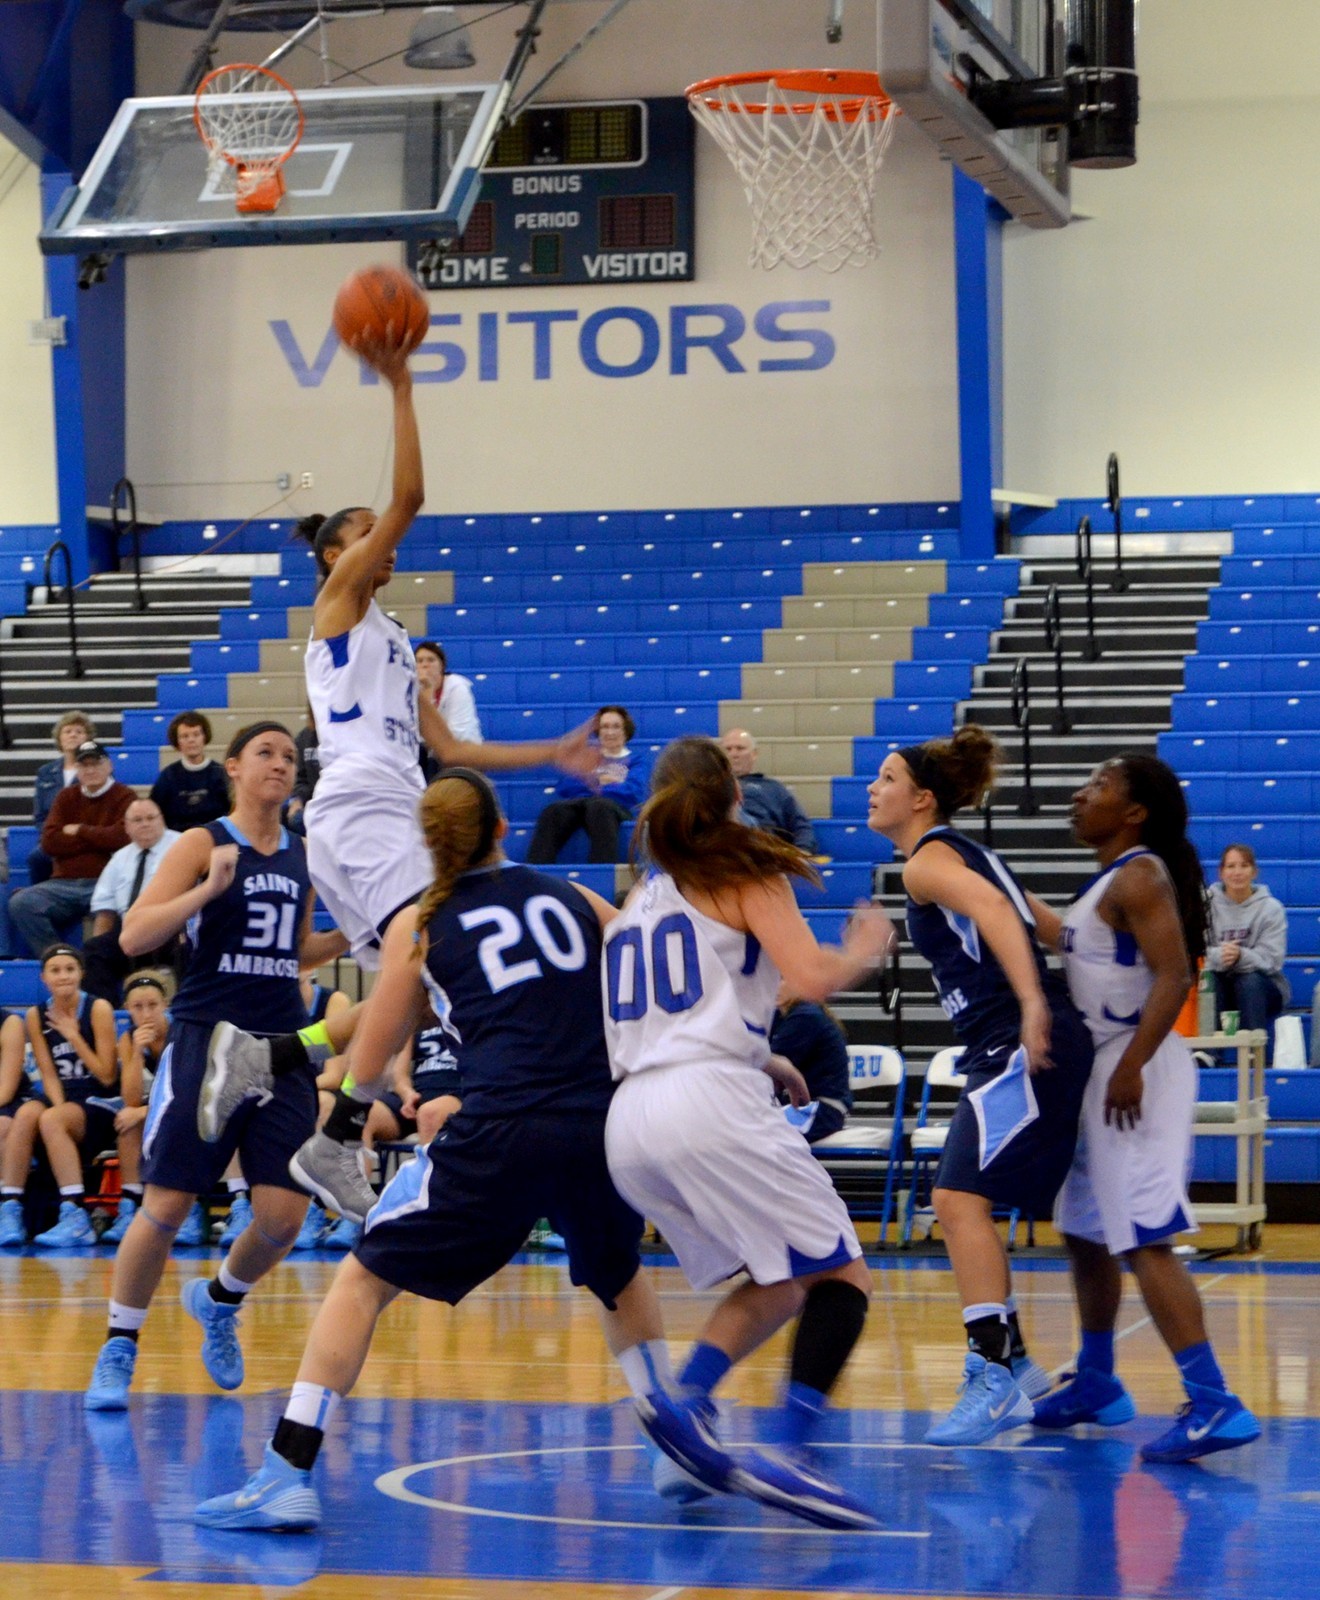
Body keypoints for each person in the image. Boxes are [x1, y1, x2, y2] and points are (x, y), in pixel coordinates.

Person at [192, 769, 668, 1533]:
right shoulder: (575, 897)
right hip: (596, 1124)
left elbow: (372, 1057)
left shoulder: (423, 921)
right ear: (503, 828)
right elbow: (649, 961)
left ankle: (286, 1471)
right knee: (618, 1275)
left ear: (428, 842)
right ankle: (674, 1441)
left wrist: (338, 1127)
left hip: (501, 1126)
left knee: (360, 1281)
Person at [217, 336, 596, 1218]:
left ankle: (270, 1058)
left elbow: (452, 753)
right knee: (425, 959)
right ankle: (340, 1137)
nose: (380, 539)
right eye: (362, 531)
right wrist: (400, 385)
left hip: (371, 813)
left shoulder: (391, 635)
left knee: (418, 983)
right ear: (336, 552)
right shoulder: (340, 602)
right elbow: (413, 495)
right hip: (365, 807)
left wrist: (550, 754)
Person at [603, 735, 894, 1529]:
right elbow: (811, 978)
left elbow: (680, 1010)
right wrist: (861, 951)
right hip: (708, 1106)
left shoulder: (641, 901)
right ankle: (792, 1454)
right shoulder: (742, 871)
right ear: (733, 794)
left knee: (779, 1280)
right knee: (843, 1278)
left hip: (631, 1120)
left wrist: (760, 1056)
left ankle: (687, 1406)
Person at [82, 721, 347, 1412]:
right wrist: (206, 891)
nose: (280, 765)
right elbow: (135, 935)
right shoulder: (204, 843)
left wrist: (360, 931)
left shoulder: (305, 856)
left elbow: (294, 954)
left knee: (284, 1216)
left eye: (290, 757)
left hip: (280, 1045)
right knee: (168, 1202)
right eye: (266, 753)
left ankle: (221, 1300)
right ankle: (119, 1343)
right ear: (232, 767)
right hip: (207, 1037)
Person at [1025, 755, 1260, 1462]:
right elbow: (1058, 937)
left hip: (1138, 1064)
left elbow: (1175, 973)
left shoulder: (1140, 874)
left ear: (1133, 813)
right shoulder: (1111, 880)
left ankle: (1215, 1402)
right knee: (1086, 1230)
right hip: (1109, 1067)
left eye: (1095, 786)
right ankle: (1097, 1378)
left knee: (1144, 1235)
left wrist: (1130, 1065)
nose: (1077, 792)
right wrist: (989, 886)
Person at [866, 724, 1093, 1446]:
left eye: (887, 777)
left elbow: (1003, 917)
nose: (873, 789)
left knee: (956, 1199)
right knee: (976, 1199)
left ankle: (993, 1375)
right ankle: (1021, 1368)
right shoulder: (974, 856)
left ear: (923, 799)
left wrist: (1031, 1002)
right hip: (1013, 1039)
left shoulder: (927, 865)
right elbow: (1055, 928)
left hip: (1014, 1038)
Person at [0, 945, 118, 1247]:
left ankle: (75, 1214)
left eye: (69, 968)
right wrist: (60, 1107)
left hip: (98, 1101)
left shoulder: (97, 1008)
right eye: (56, 970)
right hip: (63, 1101)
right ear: (43, 978)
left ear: (81, 973)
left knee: (51, 1118)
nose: (63, 975)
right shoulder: (35, 1016)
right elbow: (49, 1074)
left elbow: (106, 1075)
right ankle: (10, 1209)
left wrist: (73, 1035)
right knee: (27, 1114)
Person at [10, 741, 135, 958]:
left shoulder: (124, 796)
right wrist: (100, 838)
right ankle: (58, 959)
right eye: (84, 765)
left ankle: (99, 964)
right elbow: (49, 842)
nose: (90, 770)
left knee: (124, 902)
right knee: (22, 903)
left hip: (105, 881)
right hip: (63, 883)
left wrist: (80, 830)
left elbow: (123, 838)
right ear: (77, 769)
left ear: (109, 766)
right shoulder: (66, 797)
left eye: (96, 763)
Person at [82, 798, 180, 1003]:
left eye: (150, 818)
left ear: (162, 820)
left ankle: (185, 1014)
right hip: (129, 931)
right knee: (95, 950)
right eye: (137, 820)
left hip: (173, 929)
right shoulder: (119, 858)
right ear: (126, 827)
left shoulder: (182, 845)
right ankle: (105, 1014)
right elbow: (105, 910)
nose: (145, 824)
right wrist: (103, 943)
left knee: (192, 950)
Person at [101, 971, 173, 1246]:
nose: (146, 1014)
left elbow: (186, 1094)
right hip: (154, 1112)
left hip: (189, 1110)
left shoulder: (181, 1033)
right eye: (138, 1007)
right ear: (127, 1009)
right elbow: (130, 1098)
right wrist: (136, 1052)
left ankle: (187, 1210)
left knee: (151, 1119)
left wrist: (142, 1112)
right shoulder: (129, 1038)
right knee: (127, 1123)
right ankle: (129, 1206)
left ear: (166, 1005)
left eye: (153, 1006)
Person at [526, 706, 647, 865]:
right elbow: (566, 786)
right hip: (581, 804)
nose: (610, 732)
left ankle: (602, 869)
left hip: (615, 808)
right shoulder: (589, 757)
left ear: (626, 731)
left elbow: (631, 792)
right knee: (553, 811)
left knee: (598, 807)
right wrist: (605, 782)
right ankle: (536, 870)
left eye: (616, 726)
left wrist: (592, 782)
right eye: (605, 727)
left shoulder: (636, 761)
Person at [1206, 844, 1289, 1063]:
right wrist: (1219, 956)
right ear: (1221, 872)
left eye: (1244, 865)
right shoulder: (1206, 905)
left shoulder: (1272, 908)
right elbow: (1194, 951)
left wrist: (1240, 956)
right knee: (1209, 980)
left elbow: (1272, 960)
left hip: (1264, 988)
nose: (1237, 872)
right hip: (1222, 983)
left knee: (1249, 981)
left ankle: (1256, 1055)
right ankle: (1209, 1053)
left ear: (1254, 871)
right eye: (1231, 866)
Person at [769, 993, 853, 1143]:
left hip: (821, 1111)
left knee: (752, 1130)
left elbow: (765, 1067)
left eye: (781, 979)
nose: (774, 986)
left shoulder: (806, 1015)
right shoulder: (782, 1015)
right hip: (802, 1106)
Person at [27, 710, 98, 886]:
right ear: (59, 738)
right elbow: (40, 815)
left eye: (79, 731)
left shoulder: (97, 770)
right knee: (36, 858)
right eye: (68, 731)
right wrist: (53, 836)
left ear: (88, 739)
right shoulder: (45, 772)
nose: (73, 735)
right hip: (52, 837)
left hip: (84, 839)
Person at [720, 728, 817, 852]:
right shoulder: (712, 786)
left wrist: (803, 850)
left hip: (764, 841)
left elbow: (801, 825)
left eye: (740, 748)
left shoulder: (773, 788)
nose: (734, 754)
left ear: (754, 754)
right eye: (728, 749)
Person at [150, 712, 231, 834]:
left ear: (205, 737)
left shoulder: (221, 773)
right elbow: (155, 812)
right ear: (177, 742)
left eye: (196, 734)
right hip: (177, 842)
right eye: (185, 736)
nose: (191, 740)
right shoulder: (168, 776)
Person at [415, 640, 482, 742]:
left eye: (431, 660)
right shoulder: (412, 689)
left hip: (462, 750)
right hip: (426, 750)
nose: (425, 665)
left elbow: (459, 733)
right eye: (419, 661)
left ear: (442, 665)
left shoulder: (457, 687)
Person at [284, 707, 319, 837]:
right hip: (313, 806)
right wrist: (297, 799)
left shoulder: (351, 736)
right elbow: (300, 777)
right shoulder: (305, 737)